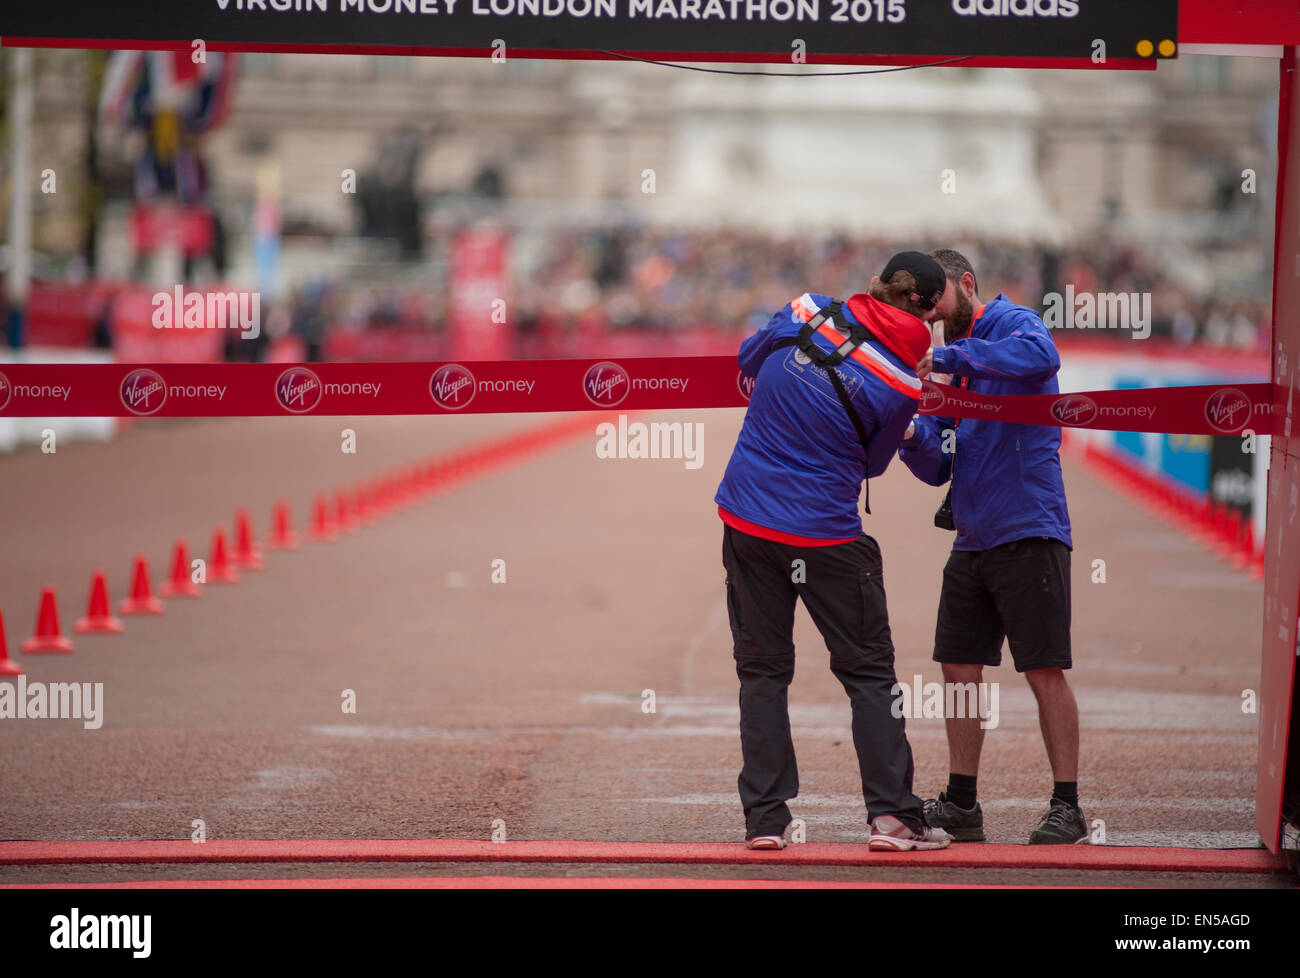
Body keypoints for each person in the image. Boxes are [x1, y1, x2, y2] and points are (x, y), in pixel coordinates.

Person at [715, 251, 953, 852]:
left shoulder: (809, 309)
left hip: (747, 517)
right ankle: (893, 820)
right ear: (928, 309)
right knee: (870, 674)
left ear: (877, 285)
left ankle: (766, 822)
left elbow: (747, 360)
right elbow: (874, 462)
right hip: (825, 534)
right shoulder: (902, 380)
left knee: (762, 672)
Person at [898, 248, 1086, 845]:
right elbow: (935, 463)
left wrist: (951, 357)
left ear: (967, 284)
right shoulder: (945, 361)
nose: (931, 313)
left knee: (1044, 669)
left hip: (1030, 524)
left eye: (937, 299)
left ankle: (1068, 806)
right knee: (957, 666)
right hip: (973, 534)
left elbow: (1042, 357)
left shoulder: (1015, 323)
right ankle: (961, 802)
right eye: (924, 308)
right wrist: (906, 429)